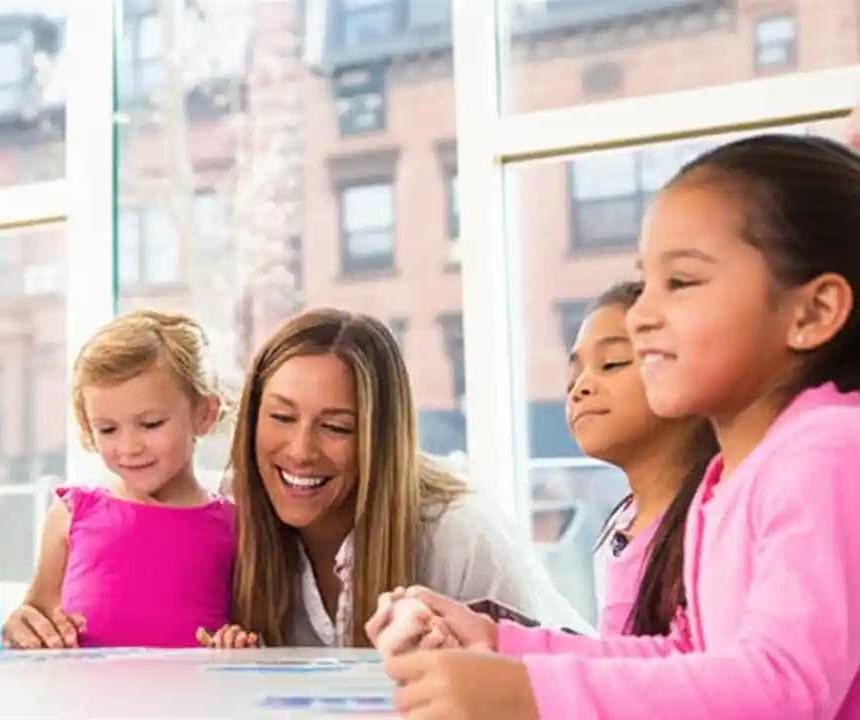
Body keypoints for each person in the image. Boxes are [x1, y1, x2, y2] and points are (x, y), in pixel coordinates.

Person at [368, 134, 860, 719]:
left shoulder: (828, 452)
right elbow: (689, 655)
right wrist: (499, 646)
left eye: (680, 282)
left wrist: (534, 696)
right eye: (645, 283)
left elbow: (784, 690)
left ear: (813, 312)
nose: (643, 314)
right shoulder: (726, 480)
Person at [210, 308, 585, 650]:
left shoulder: (458, 534)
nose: (301, 450)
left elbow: (556, 677)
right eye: (282, 417)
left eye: (336, 428)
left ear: (382, 438)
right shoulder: (226, 519)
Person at [0, 310, 235, 649]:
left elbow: (257, 633)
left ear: (205, 414)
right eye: (107, 429)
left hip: (195, 701)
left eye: (151, 423)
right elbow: (33, 620)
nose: (129, 447)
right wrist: (23, 628)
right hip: (85, 702)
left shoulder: (236, 526)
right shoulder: (71, 514)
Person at [571, 281, 717, 637]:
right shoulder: (623, 524)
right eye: (572, 378)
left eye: (611, 364)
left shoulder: (710, 523)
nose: (580, 388)